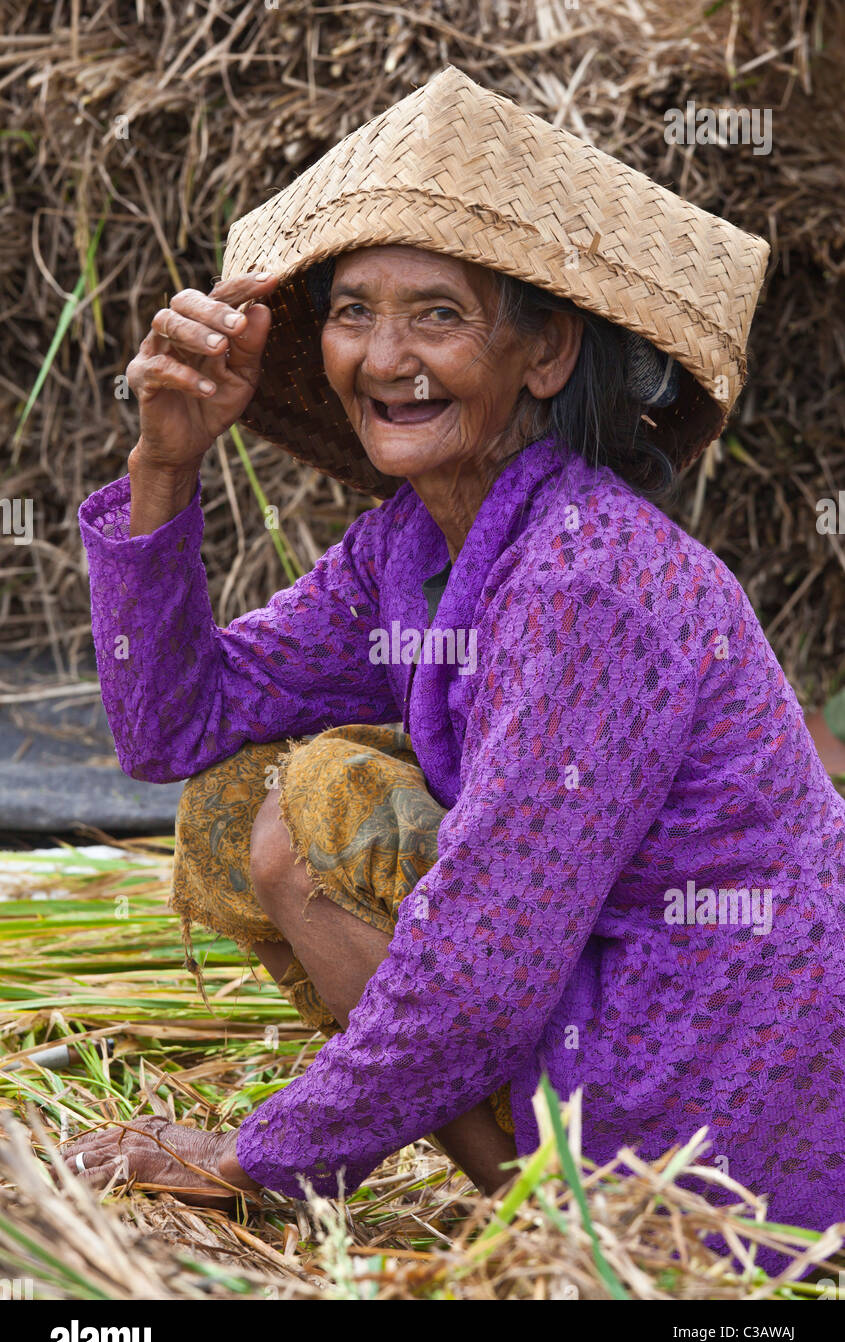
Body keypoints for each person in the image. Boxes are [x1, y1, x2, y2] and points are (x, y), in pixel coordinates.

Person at [66, 69, 845, 1267]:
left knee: (318, 801)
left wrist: (252, 1157)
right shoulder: (409, 546)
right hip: (604, 1046)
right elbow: (176, 728)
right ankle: (530, 1205)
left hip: (722, 1118)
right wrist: (164, 467)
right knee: (239, 806)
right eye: (352, 310)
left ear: (542, 356)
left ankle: (588, 1235)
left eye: (438, 314)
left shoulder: (591, 581)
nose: (385, 356)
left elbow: (482, 977)